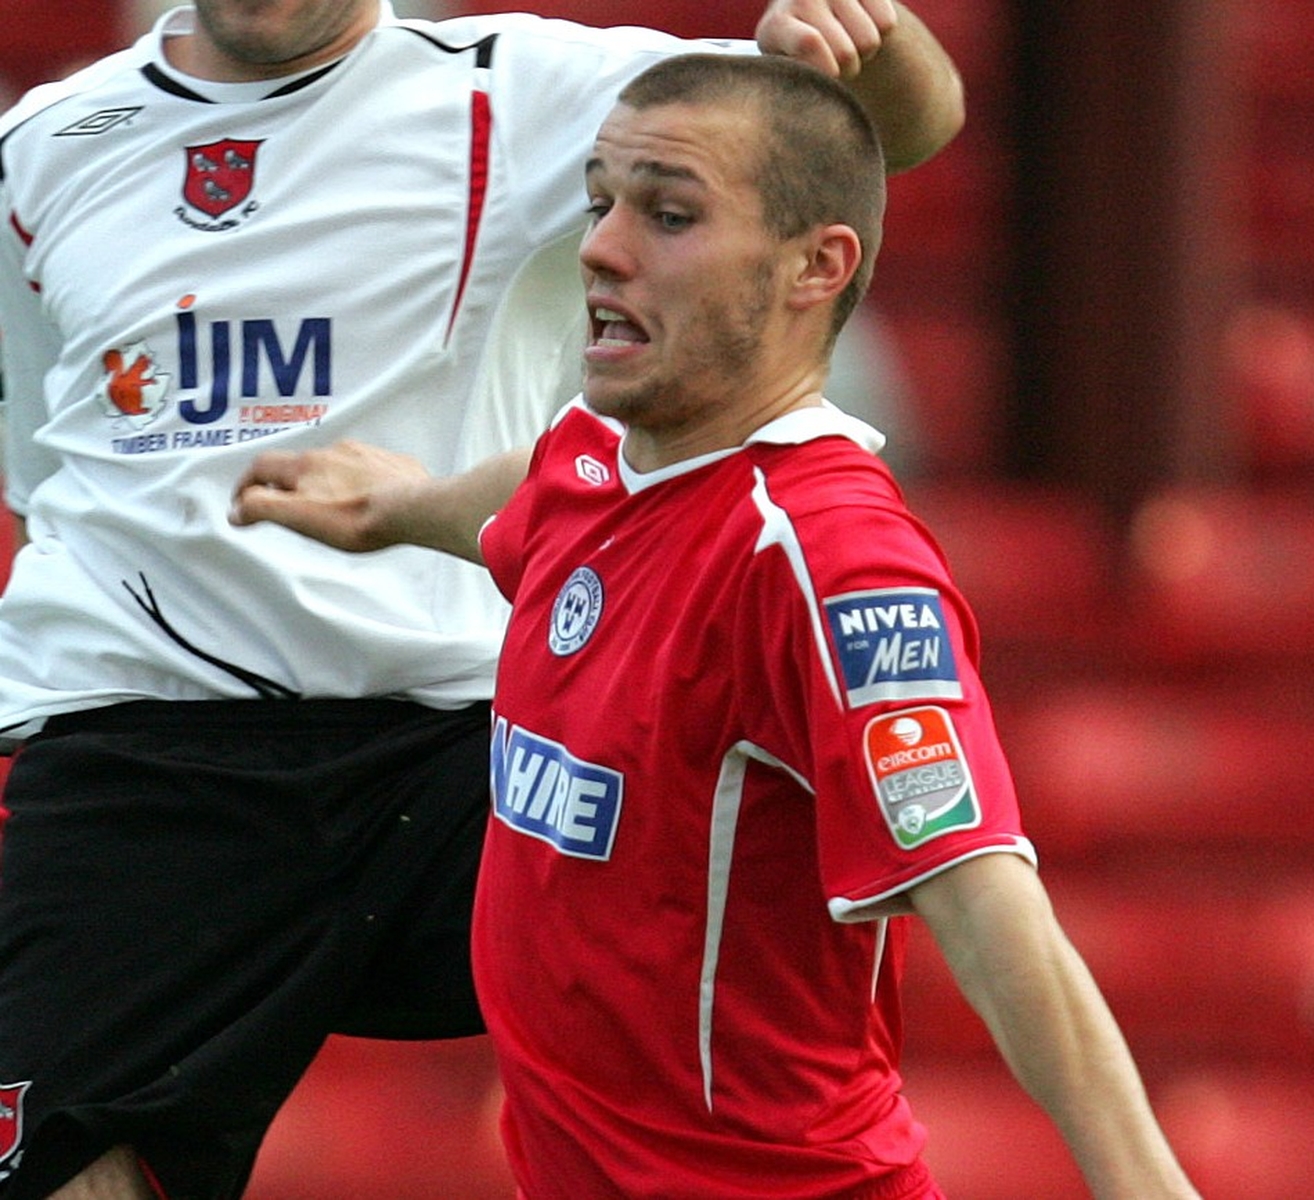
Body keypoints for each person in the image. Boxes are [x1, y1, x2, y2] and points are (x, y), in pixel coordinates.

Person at [0, 2, 964, 1196]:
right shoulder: (44, 146)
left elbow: (896, 130)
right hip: (149, 747)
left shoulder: (526, 86)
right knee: (66, 1172)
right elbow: (48, 456)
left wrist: (864, 36)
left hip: (466, 745)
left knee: (709, 1046)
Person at [231, 52, 1200, 1199]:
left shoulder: (830, 560)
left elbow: (989, 906)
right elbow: (541, 496)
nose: (601, 247)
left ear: (814, 267)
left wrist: (1148, 1186)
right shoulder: (602, 455)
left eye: (670, 214)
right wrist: (400, 507)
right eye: (600, 202)